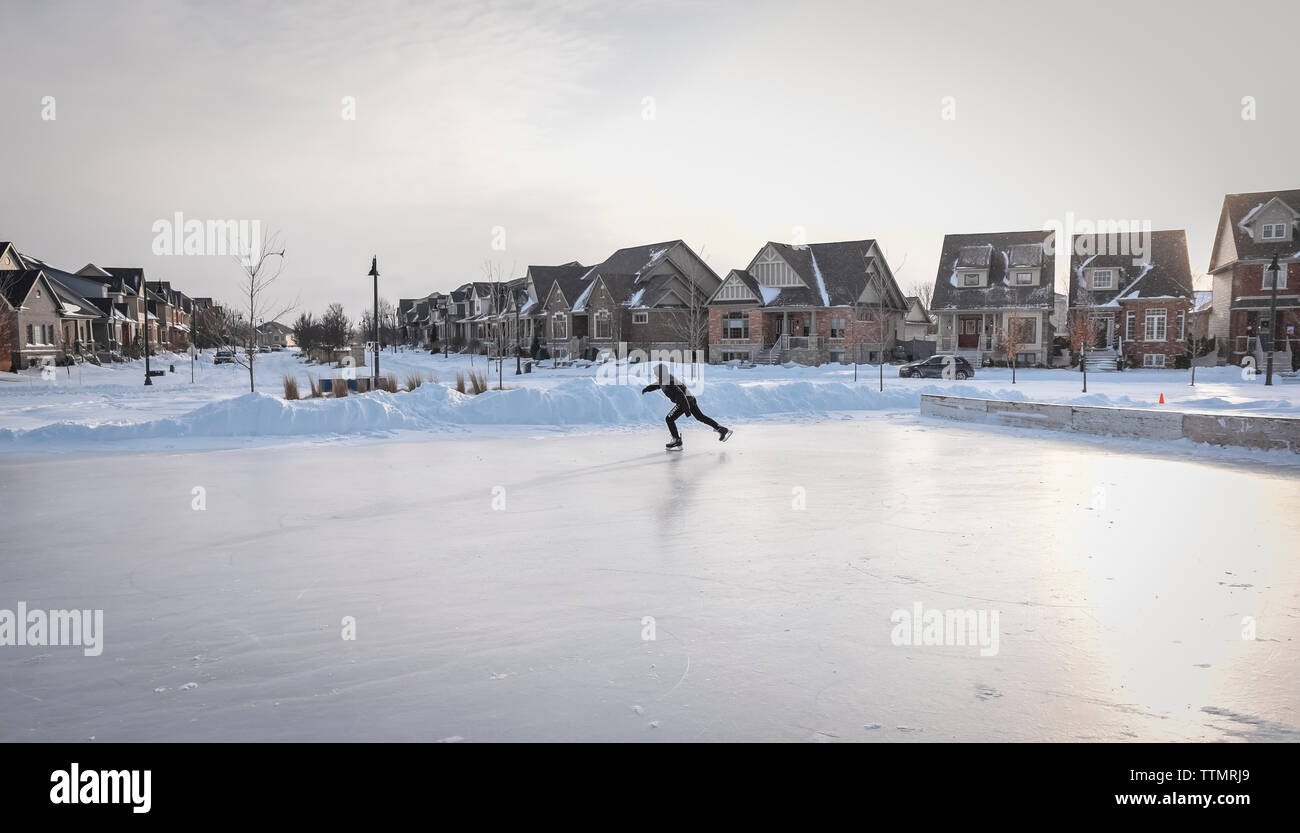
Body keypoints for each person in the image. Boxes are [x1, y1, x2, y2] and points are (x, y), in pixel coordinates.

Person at [641, 364, 732, 449]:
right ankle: (720, 429)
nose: (655, 375)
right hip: (690, 398)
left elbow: (680, 395)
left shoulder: (668, 382)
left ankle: (676, 440)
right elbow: (657, 385)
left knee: (669, 419)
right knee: (700, 417)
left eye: (656, 373)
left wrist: (686, 409)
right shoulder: (665, 379)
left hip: (684, 401)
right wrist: (648, 388)